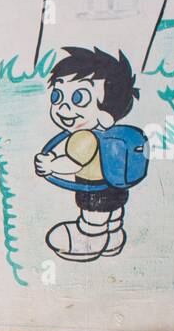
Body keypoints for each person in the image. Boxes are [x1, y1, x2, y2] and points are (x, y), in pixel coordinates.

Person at [33, 47, 143, 261]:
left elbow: (73, 163)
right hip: (116, 188)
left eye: (79, 98)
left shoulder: (82, 138)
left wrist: (51, 165)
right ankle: (113, 240)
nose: (63, 108)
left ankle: (89, 241)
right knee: (113, 218)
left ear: (105, 114)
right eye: (57, 95)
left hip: (94, 192)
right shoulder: (112, 135)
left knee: (94, 221)